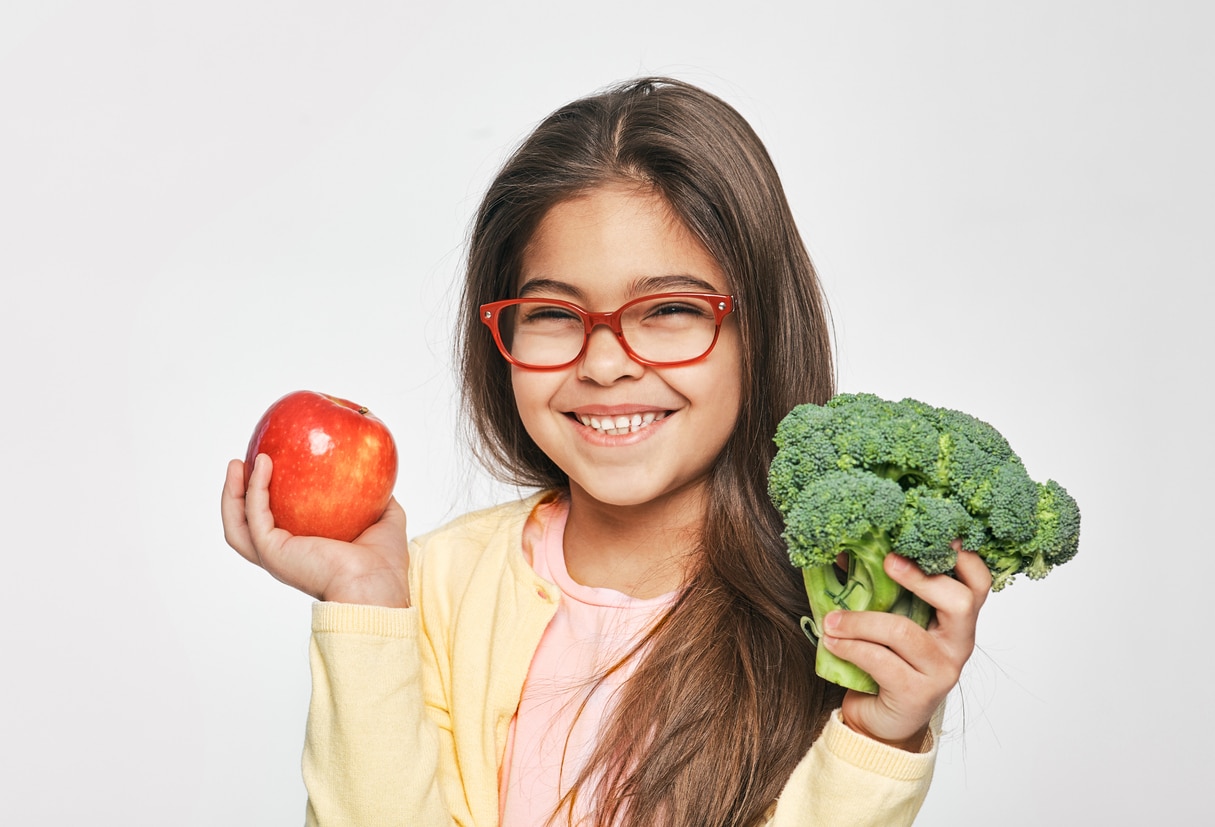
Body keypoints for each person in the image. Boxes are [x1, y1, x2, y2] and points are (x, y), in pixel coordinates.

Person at [221, 77, 992, 827]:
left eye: (669, 308)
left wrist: (877, 738)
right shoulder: (434, 591)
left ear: (759, 328)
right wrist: (365, 602)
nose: (605, 361)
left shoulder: (835, 611)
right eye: (554, 312)